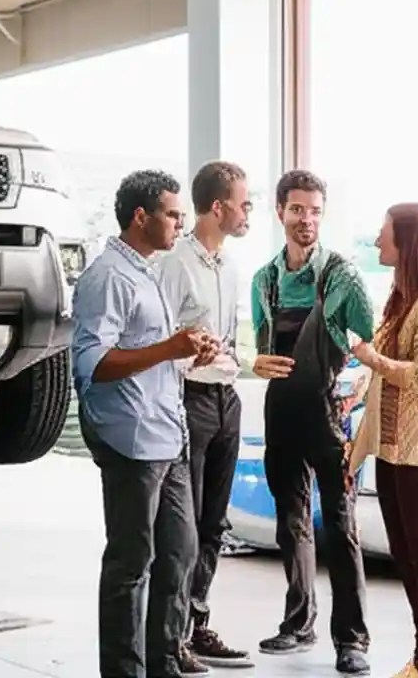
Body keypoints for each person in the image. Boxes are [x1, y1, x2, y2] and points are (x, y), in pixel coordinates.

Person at [71, 169, 221, 678]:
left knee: (179, 550)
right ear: (142, 217)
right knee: (131, 564)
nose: (181, 223)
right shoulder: (108, 277)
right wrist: (170, 347)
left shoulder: (148, 272)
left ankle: (163, 661)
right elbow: (94, 363)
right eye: (173, 214)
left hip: (167, 433)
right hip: (131, 439)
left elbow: (150, 354)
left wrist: (188, 356)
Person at [249, 169, 374, 675]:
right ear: (280, 212)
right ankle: (298, 624)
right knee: (291, 525)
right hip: (281, 414)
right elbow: (262, 348)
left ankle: (352, 639)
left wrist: (356, 394)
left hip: (328, 418)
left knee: (341, 527)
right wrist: (255, 361)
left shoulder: (340, 276)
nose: (308, 219)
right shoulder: (266, 279)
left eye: (316, 210)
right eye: (298, 209)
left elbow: (372, 345)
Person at [346, 203, 418, 678]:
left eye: (384, 233)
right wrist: (357, 388)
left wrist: (372, 361)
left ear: (408, 242)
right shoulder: (404, 299)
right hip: (393, 448)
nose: (378, 241)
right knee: (406, 554)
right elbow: (383, 369)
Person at [155, 160, 254, 668]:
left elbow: (229, 342)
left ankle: (197, 624)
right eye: (244, 201)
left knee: (215, 524)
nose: (249, 211)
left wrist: (243, 361)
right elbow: (155, 338)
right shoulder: (176, 265)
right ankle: (169, 638)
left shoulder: (231, 267)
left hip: (226, 401)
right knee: (184, 528)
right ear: (218, 207)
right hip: (189, 400)